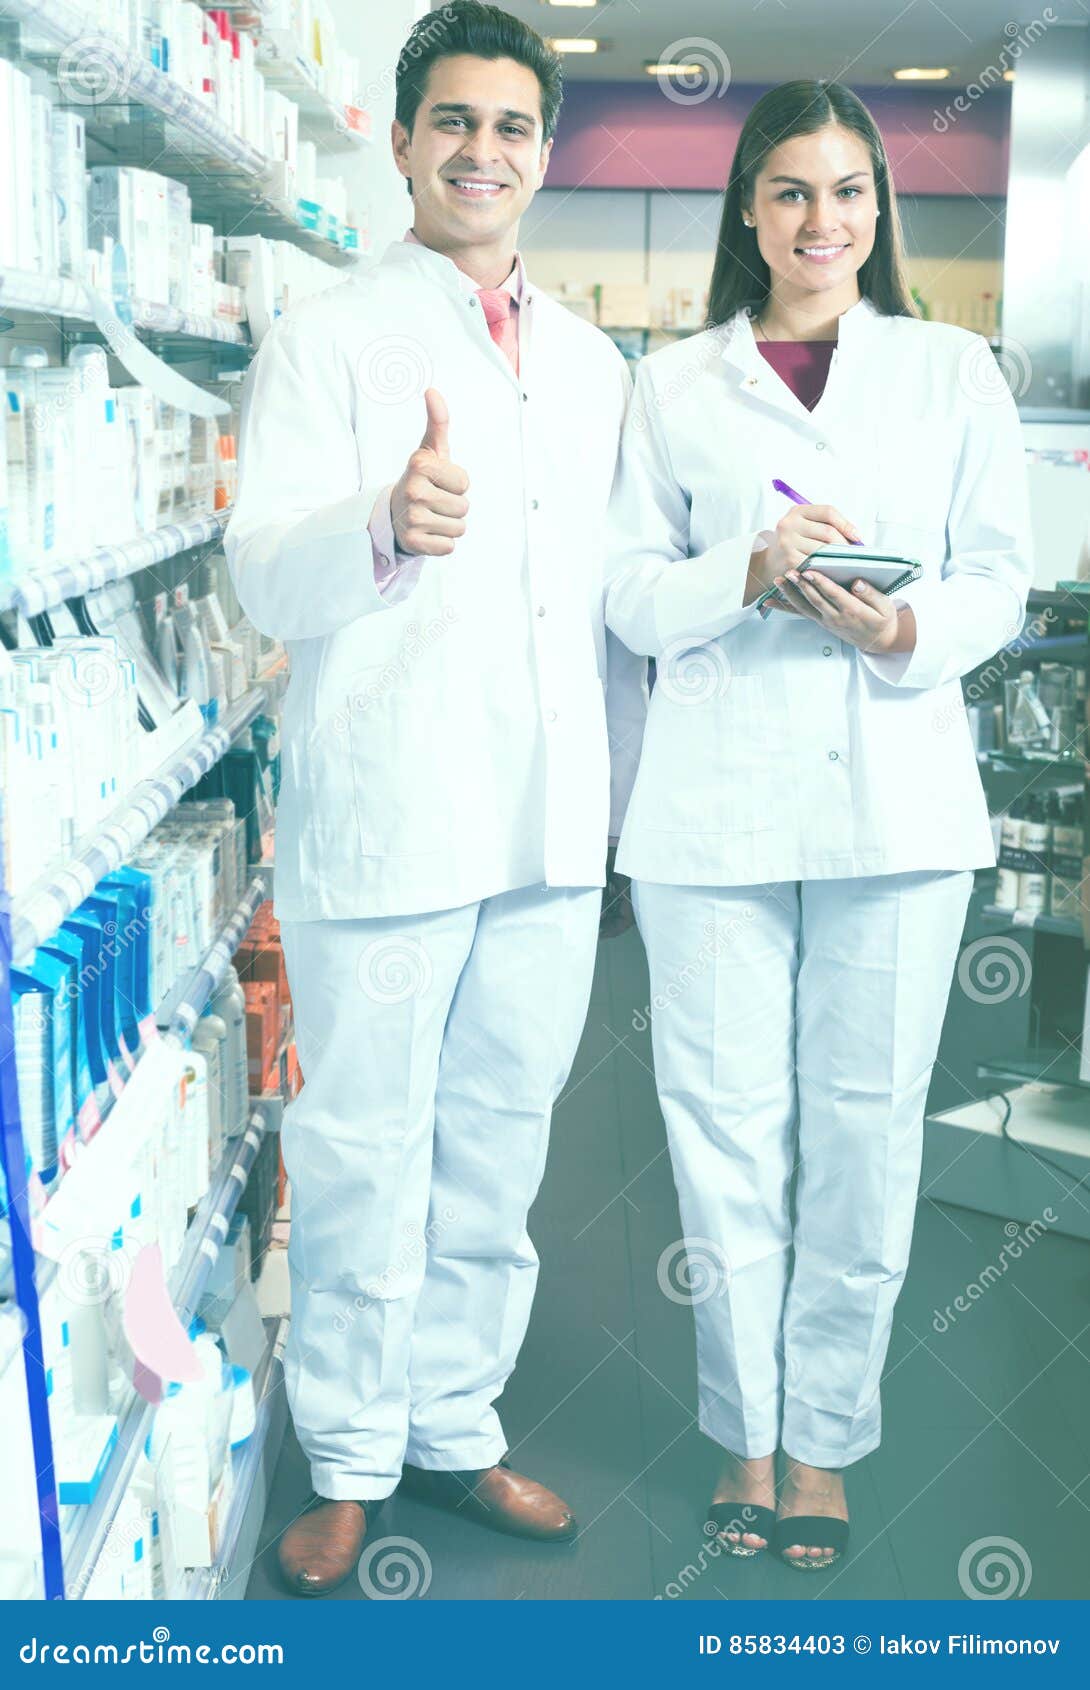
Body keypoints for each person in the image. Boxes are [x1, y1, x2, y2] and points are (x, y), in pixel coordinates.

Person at [225, 1, 645, 1596]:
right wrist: (385, 520)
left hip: (544, 826)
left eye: (514, 126)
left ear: (546, 150)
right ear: (402, 141)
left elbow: (602, 599)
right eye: (453, 121)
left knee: (495, 1148)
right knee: (359, 1148)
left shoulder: (601, 365)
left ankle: (452, 1423)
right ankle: (343, 1457)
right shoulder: (327, 338)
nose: (483, 151)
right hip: (391, 822)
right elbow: (263, 570)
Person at [605, 80, 1032, 1572]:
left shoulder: (948, 371)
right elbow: (627, 595)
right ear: (746, 209)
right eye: (789, 191)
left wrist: (899, 623)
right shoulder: (671, 387)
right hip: (710, 808)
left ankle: (822, 1442)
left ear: (878, 211)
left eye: (847, 191)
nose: (820, 221)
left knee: (860, 1132)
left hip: (895, 795)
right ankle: (741, 1425)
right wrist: (744, 564)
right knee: (720, 1132)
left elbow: (999, 576)